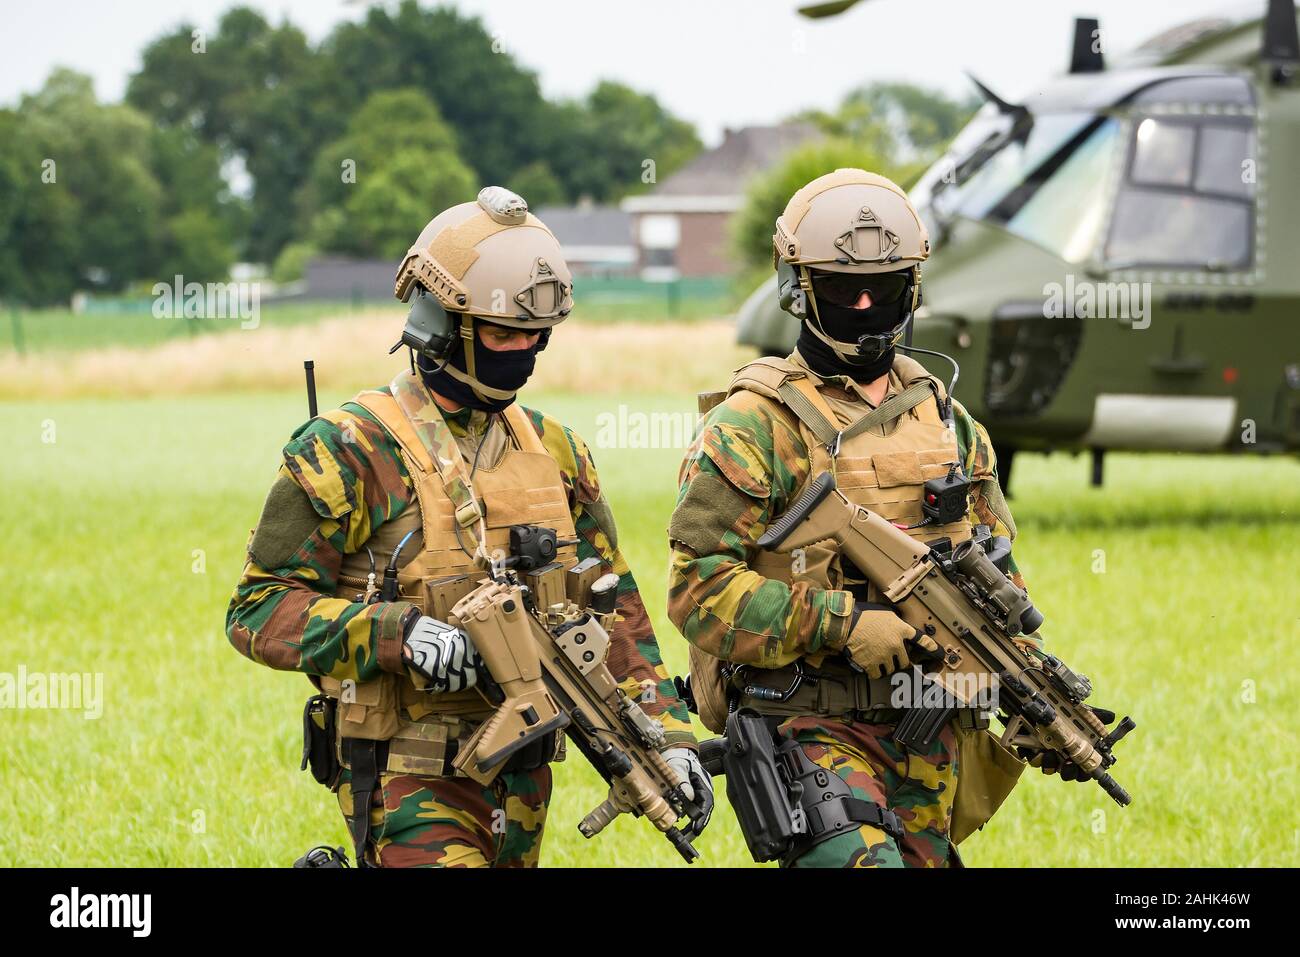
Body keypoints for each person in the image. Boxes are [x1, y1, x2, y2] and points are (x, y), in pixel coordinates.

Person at [227, 186, 709, 867]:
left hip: (524, 778)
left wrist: (671, 738)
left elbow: (615, 607)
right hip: (407, 773)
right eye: (503, 331)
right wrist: (399, 633)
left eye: (536, 335)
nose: (525, 350)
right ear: (441, 320)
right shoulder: (350, 446)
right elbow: (257, 609)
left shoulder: (558, 452)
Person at [667, 169, 1038, 868]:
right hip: (807, 723)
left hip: (929, 738)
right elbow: (698, 592)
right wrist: (841, 622)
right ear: (799, 287)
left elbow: (999, 577)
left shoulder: (950, 425)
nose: (866, 302)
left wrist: (1024, 689)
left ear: (914, 286)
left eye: (887, 285)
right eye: (841, 288)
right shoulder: (752, 425)